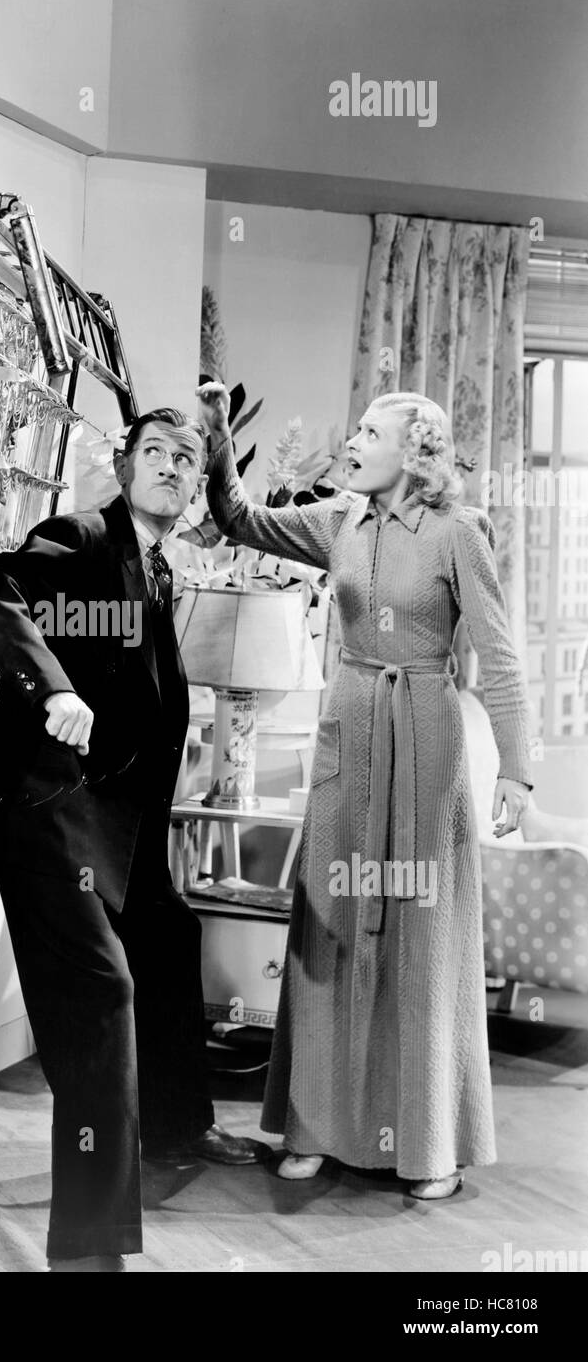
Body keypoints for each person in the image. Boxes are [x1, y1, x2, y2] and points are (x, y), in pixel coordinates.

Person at [199, 381, 532, 1200]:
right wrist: (213, 433)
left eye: (368, 431)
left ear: (413, 451)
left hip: (424, 732)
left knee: (420, 937)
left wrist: (517, 771)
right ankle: (313, 1126)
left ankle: (426, 1144)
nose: (351, 441)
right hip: (348, 730)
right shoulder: (332, 520)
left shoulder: (459, 533)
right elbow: (240, 518)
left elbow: (500, 653)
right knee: (330, 930)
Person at [0, 409, 269, 1272]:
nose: (171, 469)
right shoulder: (86, 538)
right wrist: (49, 686)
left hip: (120, 824)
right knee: (101, 996)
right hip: (50, 809)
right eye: (156, 454)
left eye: (188, 461)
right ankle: (89, 1248)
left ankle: (174, 1128)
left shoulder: (157, 570)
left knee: (169, 938)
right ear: (126, 467)